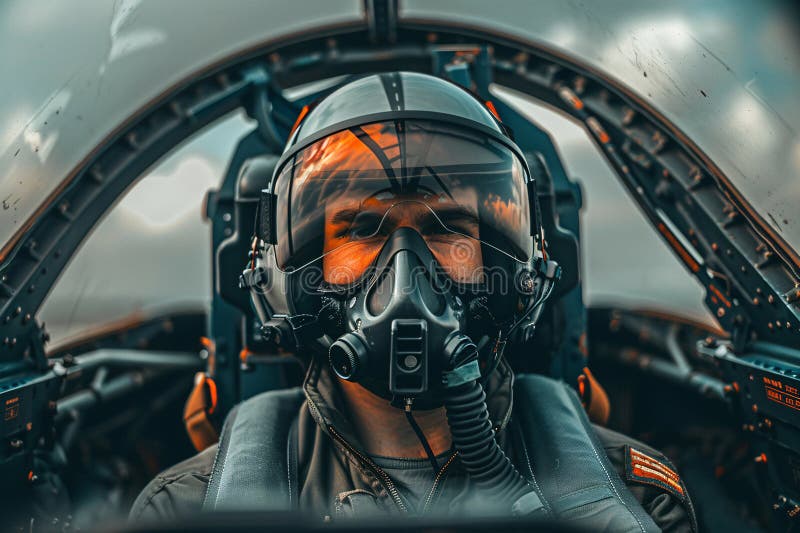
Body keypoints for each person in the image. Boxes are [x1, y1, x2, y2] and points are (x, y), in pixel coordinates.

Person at [130, 72, 697, 531]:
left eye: (448, 226)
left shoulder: (640, 499)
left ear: (509, 267)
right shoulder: (183, 510)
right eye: (362, 227)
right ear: (296, 272)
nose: (405, 268)